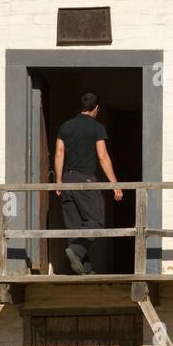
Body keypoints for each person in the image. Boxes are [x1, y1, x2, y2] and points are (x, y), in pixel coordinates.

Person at [54, 92, 123, 274]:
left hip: (67, 179)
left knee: (73, 225)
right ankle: (77, 251)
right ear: (96, 108)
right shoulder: (97, 127)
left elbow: (59, 152)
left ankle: (84, 268)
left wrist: (59, 181)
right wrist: (114, 184)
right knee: (95, 220)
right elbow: (103, 156)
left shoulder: (65, 126)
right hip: (85, 179)